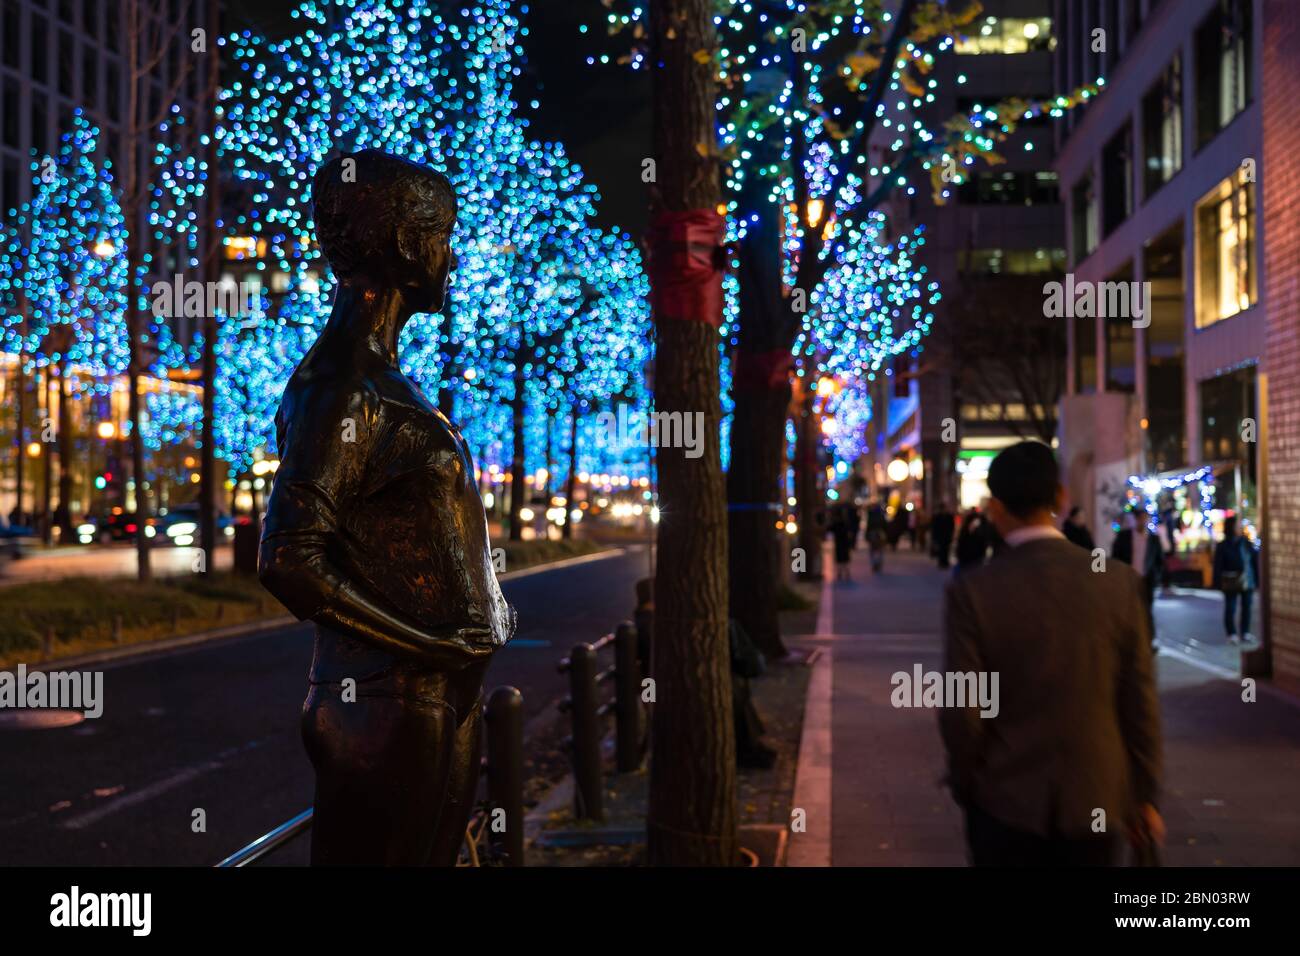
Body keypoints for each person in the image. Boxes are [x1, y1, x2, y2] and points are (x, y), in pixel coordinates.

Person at [940, 440, 1163, 866]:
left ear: (995, 508)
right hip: (1096, 795)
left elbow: (960, 707)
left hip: (1006, 799)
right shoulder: (1116, 584)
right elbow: (1140, 702)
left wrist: (968, 781)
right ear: (1060, 497)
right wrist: (1144, 795)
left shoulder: (974, 591)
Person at [1112, 511, 1163, 641]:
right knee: (1128, 608)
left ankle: (1148, 639)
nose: (1143, 522)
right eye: (1140, 519)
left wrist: (1157, 576)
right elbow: (1116, 557)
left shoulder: (1153, 539)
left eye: (1145, 519)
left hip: (1147, 579)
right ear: (1136, 520)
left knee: (1146, 609)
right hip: (1128, 578)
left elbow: (1159, 560)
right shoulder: (1125, 537)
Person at [1212, 516, 1260, 645]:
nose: (1239, 528)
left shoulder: (1246, 542)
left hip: (1247, 579)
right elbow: (1218, 565)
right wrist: (1217, 582)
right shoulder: (1223, 545)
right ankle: (1232, 633)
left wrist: (1257, 580)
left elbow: (1254, 560)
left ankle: (1245, 632)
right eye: (1237, 525)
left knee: (1247, 606)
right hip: (1231, 579)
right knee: (1231, 607)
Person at [954, 508, 989, 573]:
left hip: (976, 560)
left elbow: (983, 545)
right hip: (966, 561)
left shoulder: (979, 533)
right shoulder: (965, 533)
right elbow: (960, 545)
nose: (974, 525)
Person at [829, 504, 855, 582]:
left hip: (839, 543)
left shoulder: (836, 523)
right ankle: (845, 572)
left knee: (840, 559)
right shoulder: (845, 522)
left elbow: (830, 529)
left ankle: (841, 573)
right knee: (844, 559)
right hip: (844, 543)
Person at [931, 500, 955, 569]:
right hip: (940, 536)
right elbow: (934, 527)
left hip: (946, 536)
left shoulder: (949, 516)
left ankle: (945, 562)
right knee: (941, 549)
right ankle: (942, 562)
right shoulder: (937, 517)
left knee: (946, 549)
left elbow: (952, 526)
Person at [865, 500, 887, 573]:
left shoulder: (871, 515)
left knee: (873, 550)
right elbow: (885, 525)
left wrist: (867, 534)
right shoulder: (881, 515)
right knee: (879, 550)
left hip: (873, 533)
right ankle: (878, 563)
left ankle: (875, 563)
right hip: (880, 534)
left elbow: (868, 526)